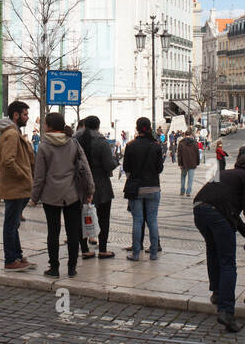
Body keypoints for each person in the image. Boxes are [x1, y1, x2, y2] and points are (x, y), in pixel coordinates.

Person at [193, 151, 245, 333]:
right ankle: (226, 311)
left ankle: (217, 293)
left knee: (213, 252)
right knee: (227, 262)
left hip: (199, 209)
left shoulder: (223, 174)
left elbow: (227, 210)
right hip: (217, 214)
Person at [30, 112, 95, 277]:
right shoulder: (73, 143)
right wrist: (90, 189)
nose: (43, 126)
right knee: (73, 231)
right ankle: (72, 268)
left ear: (50, 127)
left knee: (53, 232)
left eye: (45, 124)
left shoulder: (44, 146)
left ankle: (54, 268)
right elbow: (85, 167)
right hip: (72, 194)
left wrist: (34, 198)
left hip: (50, 195)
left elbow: (39, 176)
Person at [0, 101, 35, 271]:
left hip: (18, 187)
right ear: (16, 115)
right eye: (25, 114)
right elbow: (8, 161)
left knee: (14, 224)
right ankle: (10, 259)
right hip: (15, 187)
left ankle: (17, 256)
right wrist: (24, 176)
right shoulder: (12, 134)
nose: (27, 117)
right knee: (11, 224)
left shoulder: (15, 132)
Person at [122, 117, 164, 260]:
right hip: (153, 187)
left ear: (137, 128)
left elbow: (126, 168)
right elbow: (159, 169)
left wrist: (133, 177)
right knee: (152, 220)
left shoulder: (131, 145)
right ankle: (153, 253)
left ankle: (135, 254)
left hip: (137, 188)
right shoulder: (156, 145)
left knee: (138, 220)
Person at [76, 115, 117, 259]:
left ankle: (85, 249)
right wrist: (116, 159)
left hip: (80, 185)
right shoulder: (102, 142)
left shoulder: (76, 140)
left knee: (81, 217)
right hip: (101, 185)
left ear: (84, 125)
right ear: (98, 126)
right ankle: (103, 249)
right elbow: (109, 165)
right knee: (103, 218)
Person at [176, 131, 201, 197]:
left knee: (183, 177)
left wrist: (180, 164)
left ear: (185, 135)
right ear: (190, 135)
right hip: (192, 163)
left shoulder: (181, 143)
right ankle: (188, 192)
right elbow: (197, 154)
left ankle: (182, 191)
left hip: (184, 163)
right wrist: (197, 162)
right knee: (190, 178)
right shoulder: (195, 143)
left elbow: (179, 155)